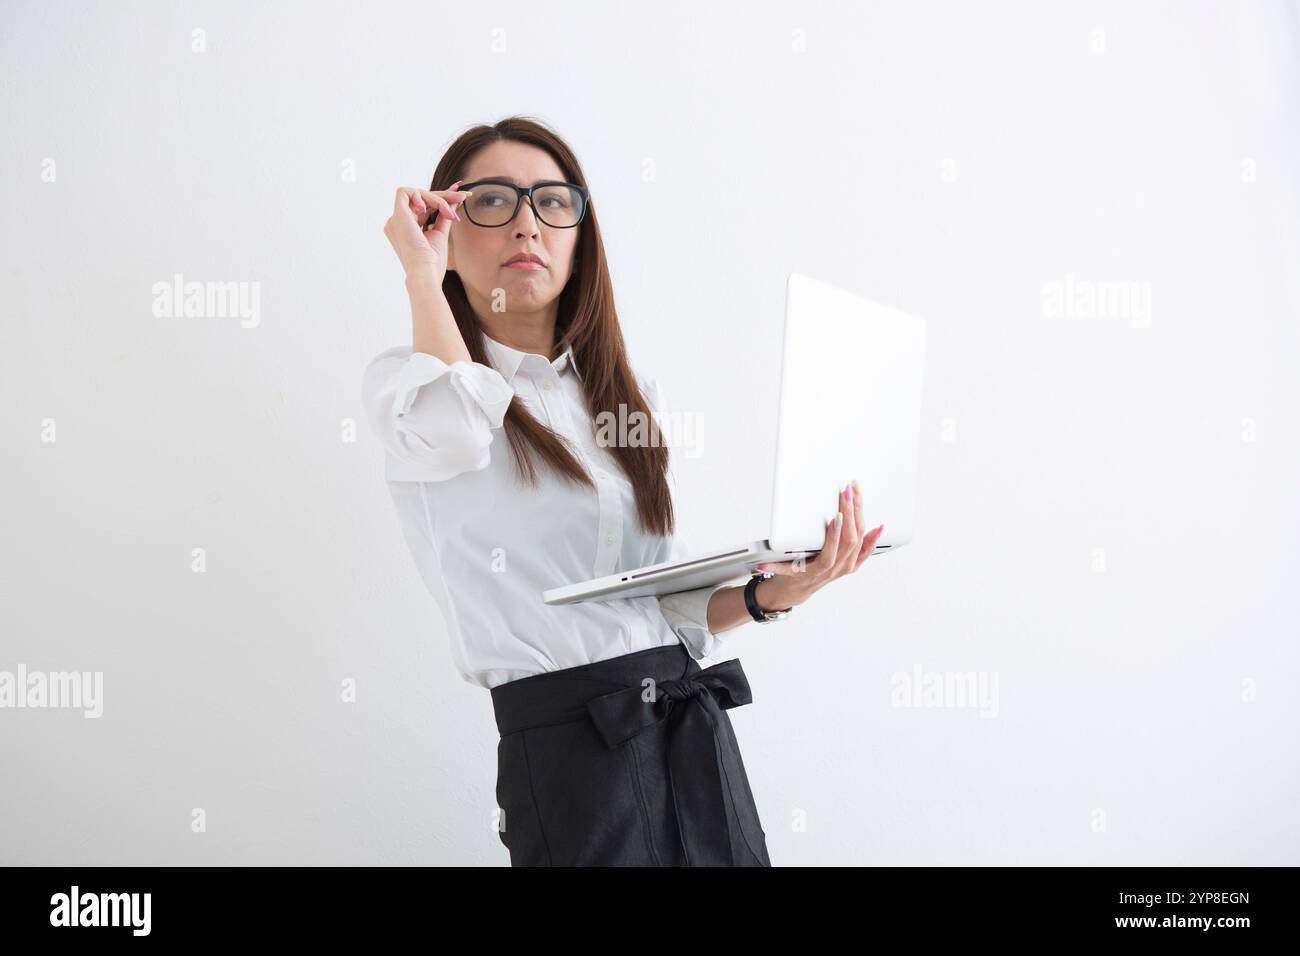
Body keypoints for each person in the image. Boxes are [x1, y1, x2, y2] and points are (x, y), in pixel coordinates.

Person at [361, 116, 885, 866]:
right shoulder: (408, 387)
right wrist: (420, 275)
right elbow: (459, 426)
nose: (526, 226)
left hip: (691, 729)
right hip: (574, 758)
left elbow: (655, 608)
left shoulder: (626, 398)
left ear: (582, 234)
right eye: (490, 202)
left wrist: (774, 594)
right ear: (444, 227)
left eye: (552, 202)